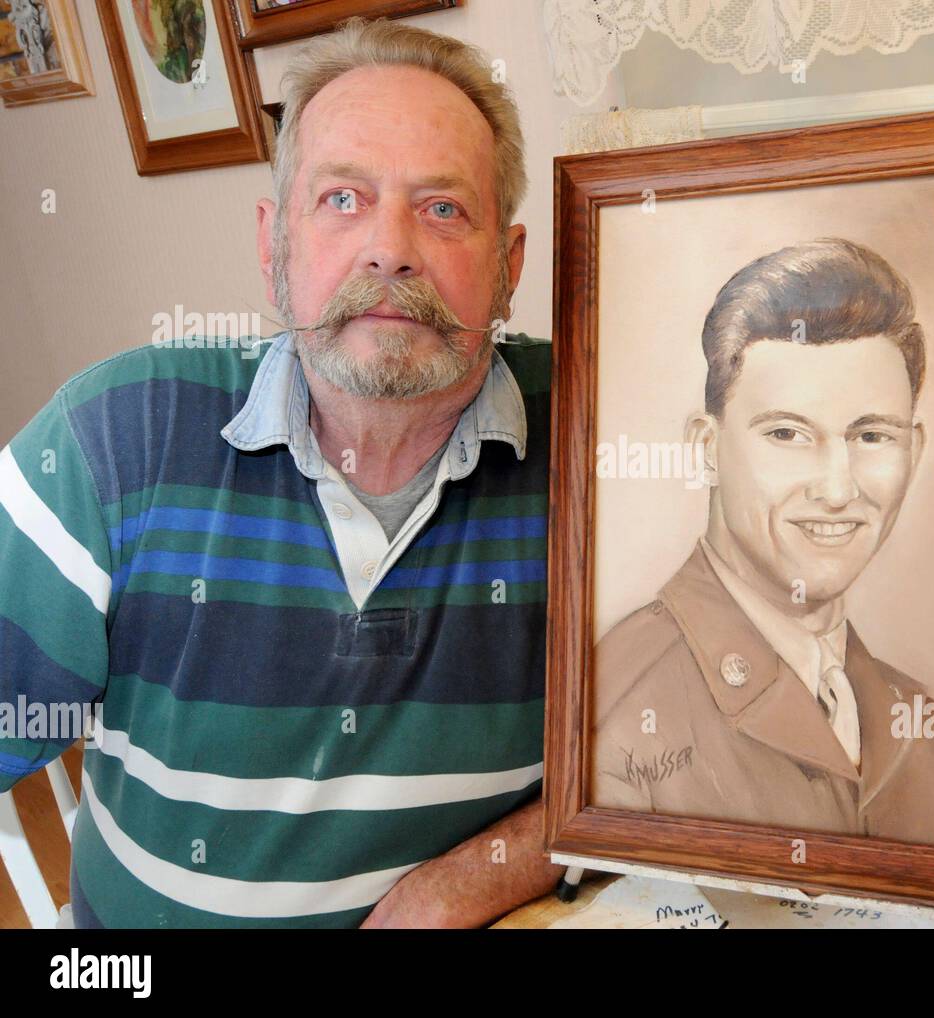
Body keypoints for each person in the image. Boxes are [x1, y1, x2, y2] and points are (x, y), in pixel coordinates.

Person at [0, 17, 563, 927]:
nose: (391, 250)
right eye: (343, 199)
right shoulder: (115, 440)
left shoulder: (595, 434)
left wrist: (480, 874)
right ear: (274, 246)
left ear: (509, 267)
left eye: (443, 208)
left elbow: (688, 755)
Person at [593, 238, 934, 847]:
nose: (837, 489)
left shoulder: (925, 724)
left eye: (872, 436)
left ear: (915, 453)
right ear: (706, 449)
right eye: (789, 433)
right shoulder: (617, 712)